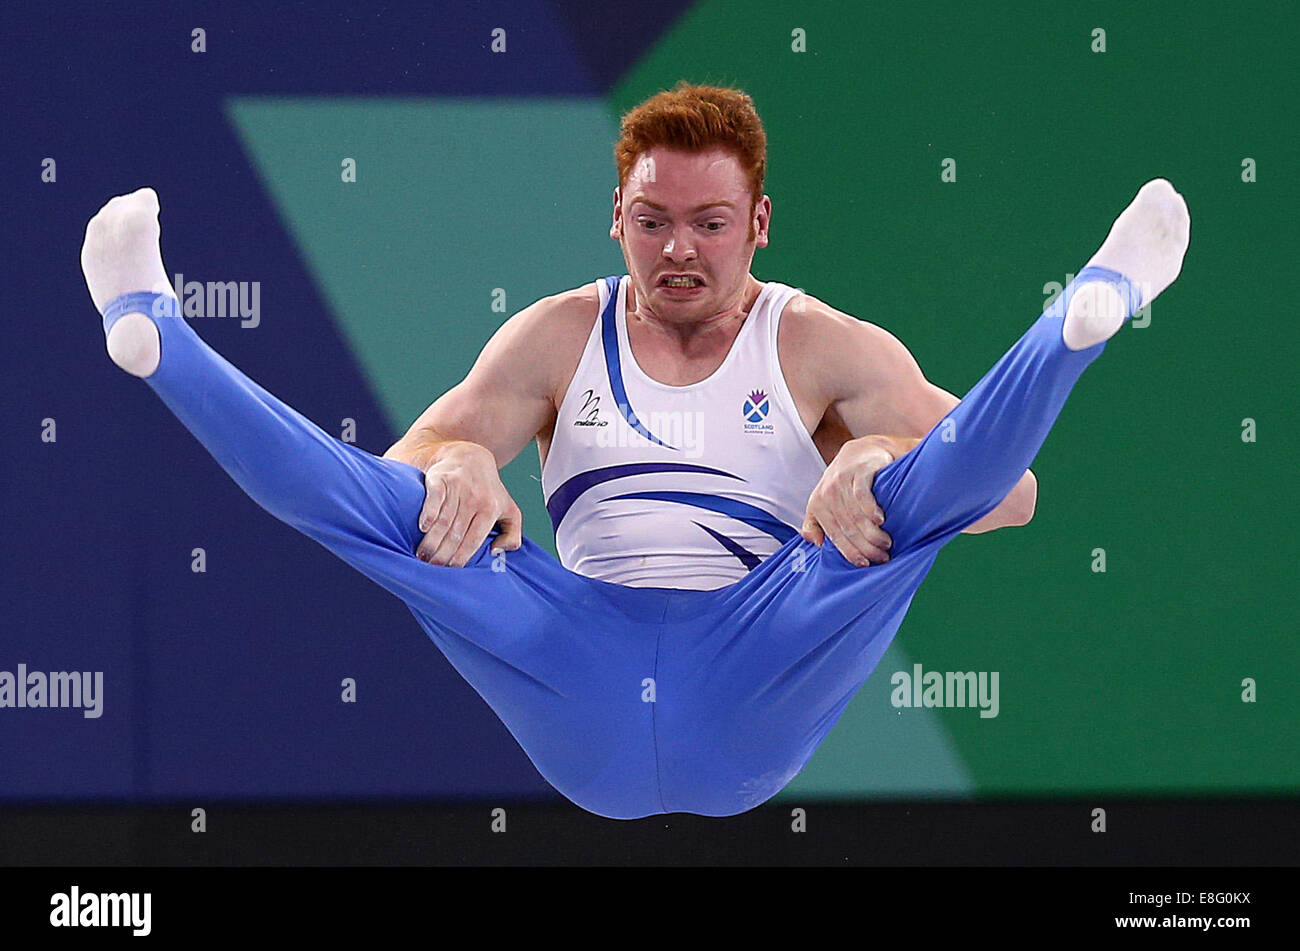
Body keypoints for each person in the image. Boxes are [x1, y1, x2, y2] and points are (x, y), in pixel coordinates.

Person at [80, 84, 1189, 819]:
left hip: (758, 649)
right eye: (654, 219)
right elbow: (415, 457)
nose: (679, 249)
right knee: (397, 513)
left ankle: (1084, 310)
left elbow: (1014, 491)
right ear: (616, 213)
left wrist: (871, 451)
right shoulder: (558, 332)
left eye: (711, 222)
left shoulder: (818, 342)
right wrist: (463, 462)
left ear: (759, 223)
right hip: (580, 659)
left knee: (900, 502)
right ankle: (156, 333)